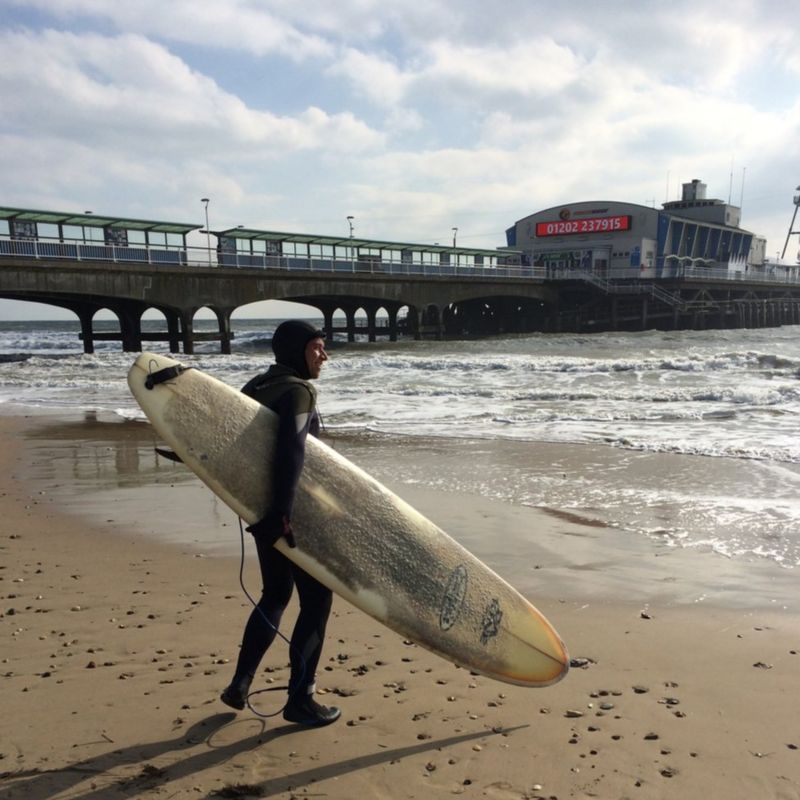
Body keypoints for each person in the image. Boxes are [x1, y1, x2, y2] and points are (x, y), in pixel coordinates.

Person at [220, 320, 341, 726]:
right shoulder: (299, 391)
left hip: (259, 507)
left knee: (275, 593)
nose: (324, 356)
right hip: (290, 513)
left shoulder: (257, 385)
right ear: (297, 350)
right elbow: (293, 450)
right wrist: (284, 513)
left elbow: (225, 439)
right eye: (317, 348)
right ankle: (301, 700)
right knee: (317, 600)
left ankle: (240, 683)